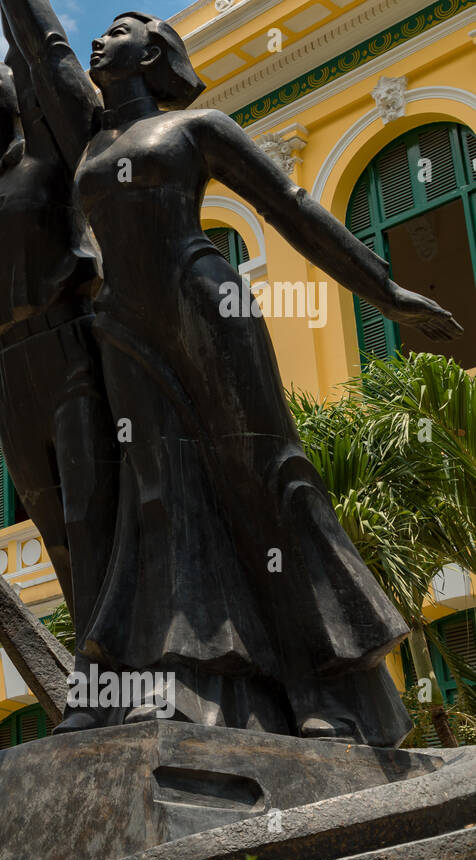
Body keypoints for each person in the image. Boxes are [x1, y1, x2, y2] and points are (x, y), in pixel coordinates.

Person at [66, 12, 462, 745]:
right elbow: (37, 45)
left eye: (119, 27)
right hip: (126, 329)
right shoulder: (88, 141)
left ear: (152, 50)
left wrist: (386, 294)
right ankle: (199, 688)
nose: (99, 35)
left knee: (265, 485)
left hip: (204, 302)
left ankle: (325, 690)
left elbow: (293, 208)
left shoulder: (197, 128)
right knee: (162, 500)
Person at [0, 0, 121, 732]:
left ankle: (118, 674)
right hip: (6, 376)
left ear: (19, 95)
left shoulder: (48, 159)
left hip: (68, 346)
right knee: (56, 530)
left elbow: (40, 53)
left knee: (95, 512)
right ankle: (100, 677)